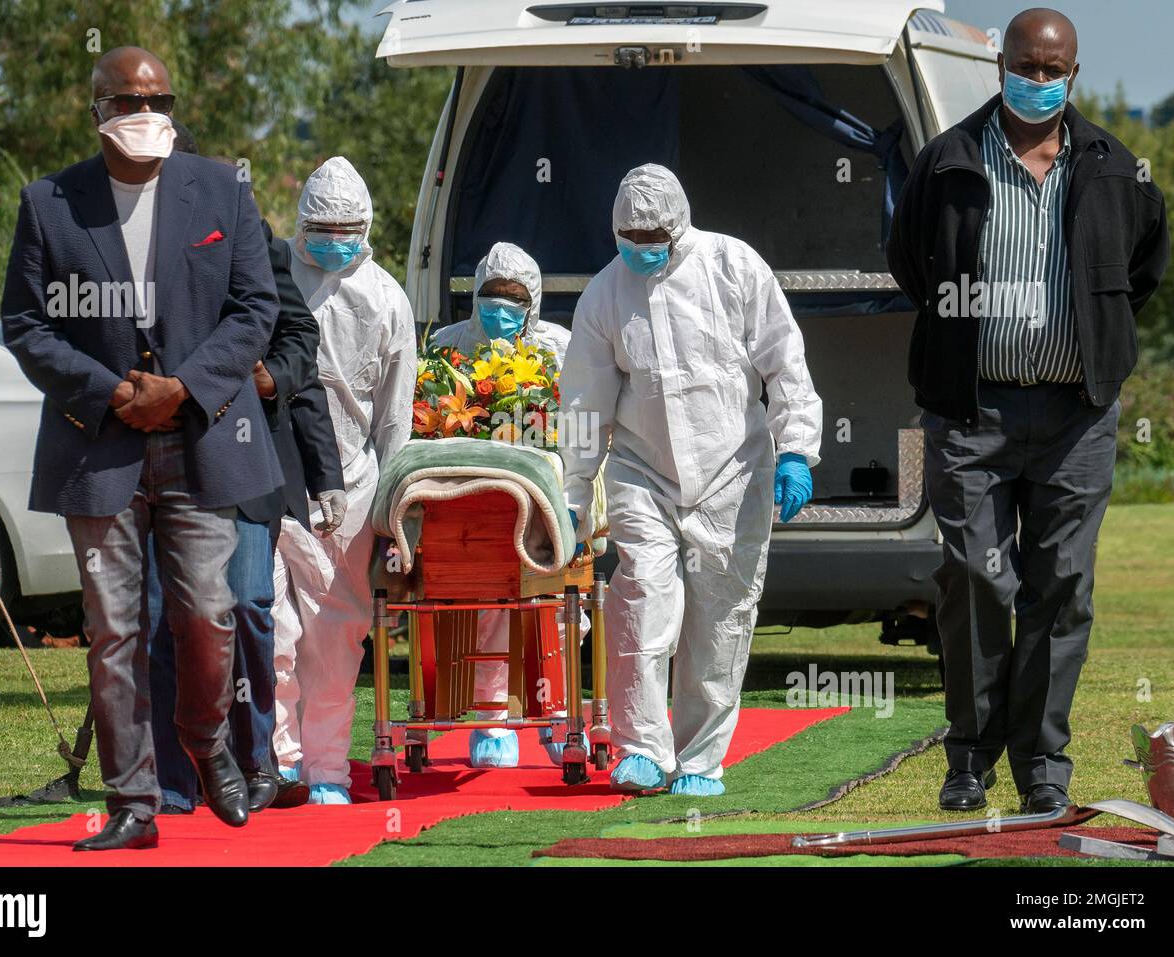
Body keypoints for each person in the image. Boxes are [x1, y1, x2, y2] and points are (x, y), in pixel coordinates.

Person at [887, 8, 1168, 814]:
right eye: (1026, 65)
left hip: (1077, 417)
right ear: (1000, 64)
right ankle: (969, 754)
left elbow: (1142, 269)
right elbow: (912, 258)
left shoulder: (1117, 167)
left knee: (1063, 584)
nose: (1038, 81)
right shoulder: (946, 161)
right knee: (974, 577)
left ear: (1073, 74)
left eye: (1053, 70)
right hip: (969, 414)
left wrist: (1093, 336)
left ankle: (1043, 760)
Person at [0, 47, 283, 849]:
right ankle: (133, 799)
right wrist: (111, 392)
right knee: (114, 628)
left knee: (207, 612)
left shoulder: (222, 187)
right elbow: (25, 323)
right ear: (97, 111)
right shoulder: (51, 201)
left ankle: (206, 743)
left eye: (157, 96)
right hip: (100, 446)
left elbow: (254, 307)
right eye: (127, 98)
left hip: (199, 438)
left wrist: (185, 387)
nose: (145, 109)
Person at [559, 164, 822, 796]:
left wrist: (796, 449)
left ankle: (701, 758)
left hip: (734, 471)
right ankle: (642, 749)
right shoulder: (605, 293)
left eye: (654, 235)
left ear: (680, 224)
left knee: (721, 617)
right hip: (643, 472)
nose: (642, 247)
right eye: (630, 235)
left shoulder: (734, 267)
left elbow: (784, 361)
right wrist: (571, 498)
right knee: (643, 601)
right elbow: (582, 405)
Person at [144, 125, 346, 816]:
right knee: (165, 620)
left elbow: (298, 339)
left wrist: (268, 381)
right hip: (157, 458)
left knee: (250, 609)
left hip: (240, 455)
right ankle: (175, 781)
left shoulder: (250, 232)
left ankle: (256, 758)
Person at [272, 157, 417, 804]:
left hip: (353, 488)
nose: (334, 240)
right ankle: (276, 760)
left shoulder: (388, 299)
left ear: (367, 227)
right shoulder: (269, 277)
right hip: (273, 477)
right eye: (321, 228)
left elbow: (394, 424)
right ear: (301, 224)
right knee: (269, 626)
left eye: (346, 228)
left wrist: (393, 517)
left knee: (337, 636)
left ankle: (326, 766)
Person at [430, 241, 581, 769]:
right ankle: (493, 717)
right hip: (474, 506)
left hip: (544, 499)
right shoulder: (448, 349)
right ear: (474, 297)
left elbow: (581, 426)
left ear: (532, 303)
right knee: (488, 596)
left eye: (513, 300)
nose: (500, 309)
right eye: (491, 298)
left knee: (552, 603)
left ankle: (556, 714)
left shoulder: (557, 349)